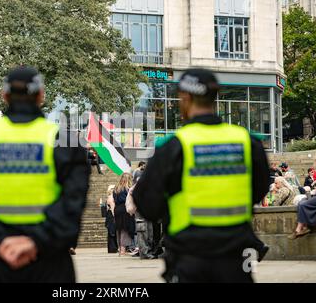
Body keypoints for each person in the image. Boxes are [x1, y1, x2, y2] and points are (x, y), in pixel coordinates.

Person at [0, 66, 90, 283]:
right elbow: (72, 202)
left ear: (4, 95)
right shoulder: (64, 143)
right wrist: (36, 241)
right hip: (49, 260)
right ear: (41, 95)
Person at [133, 68, 270, 283]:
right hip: (236, 256)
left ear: (185, 98)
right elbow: (260, 188)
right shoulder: (246, 141)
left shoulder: (173, 146)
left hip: (190, 256)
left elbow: (147, 203)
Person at [288, 149, 316, 240]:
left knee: (304, 203)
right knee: (301, 202)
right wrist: (314, 192)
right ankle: (303, 228)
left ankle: (300, 229)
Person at [113, 173, 133, 256]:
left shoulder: (116, 188)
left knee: (119, 229)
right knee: (125, 228)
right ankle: (123, 249)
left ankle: (120, 248)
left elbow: (114, 199)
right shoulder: (127, 188)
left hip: (117, 209)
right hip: (125, 209)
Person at [105, 185, 118, 253]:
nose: (113, 190)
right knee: (112, 232)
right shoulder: (111, 197)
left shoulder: (109, 197)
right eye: (112, 189)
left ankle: (112, 248)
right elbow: (113, 209)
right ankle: (113, 248)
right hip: (111, 216)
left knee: (112, 232)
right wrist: (115, 216)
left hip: (109, 216)